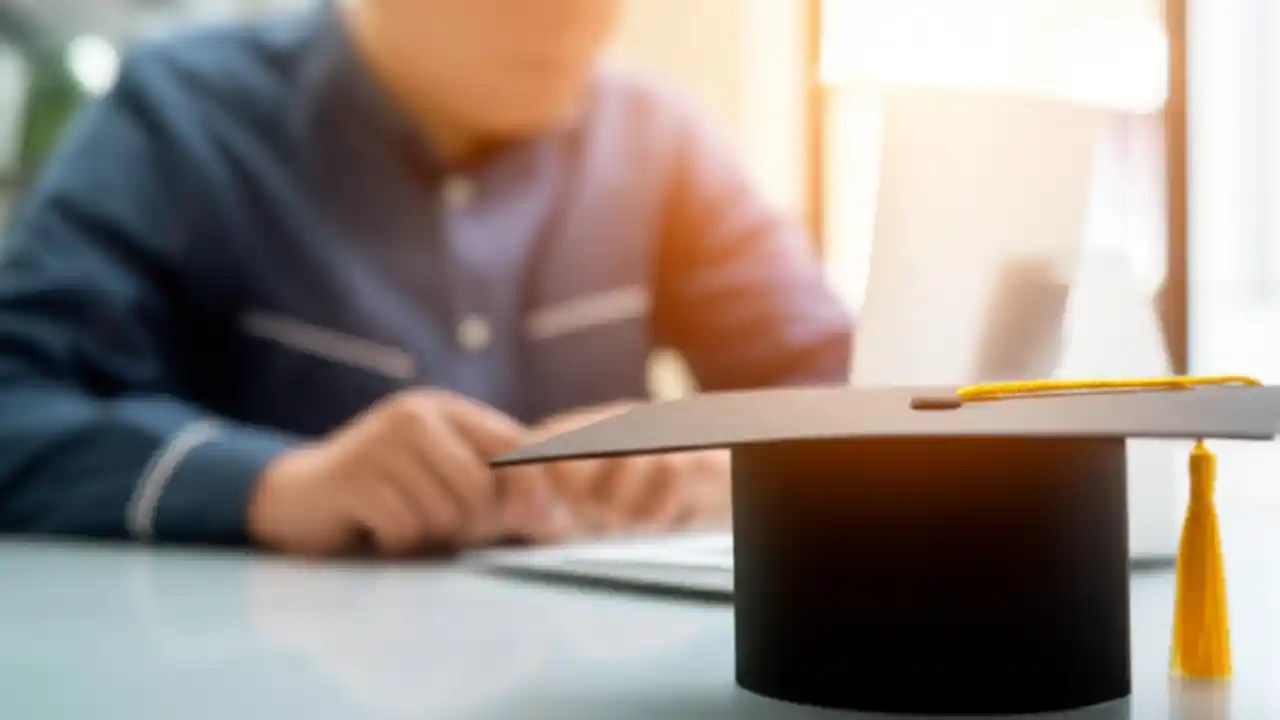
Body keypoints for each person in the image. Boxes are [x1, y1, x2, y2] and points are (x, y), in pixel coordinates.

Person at [0, 0, 852, 556]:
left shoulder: (657, 140)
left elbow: (851, 391)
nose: (576, 18)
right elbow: (15, 403)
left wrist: (727, 455)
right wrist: (274, 485)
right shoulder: (182, 116)